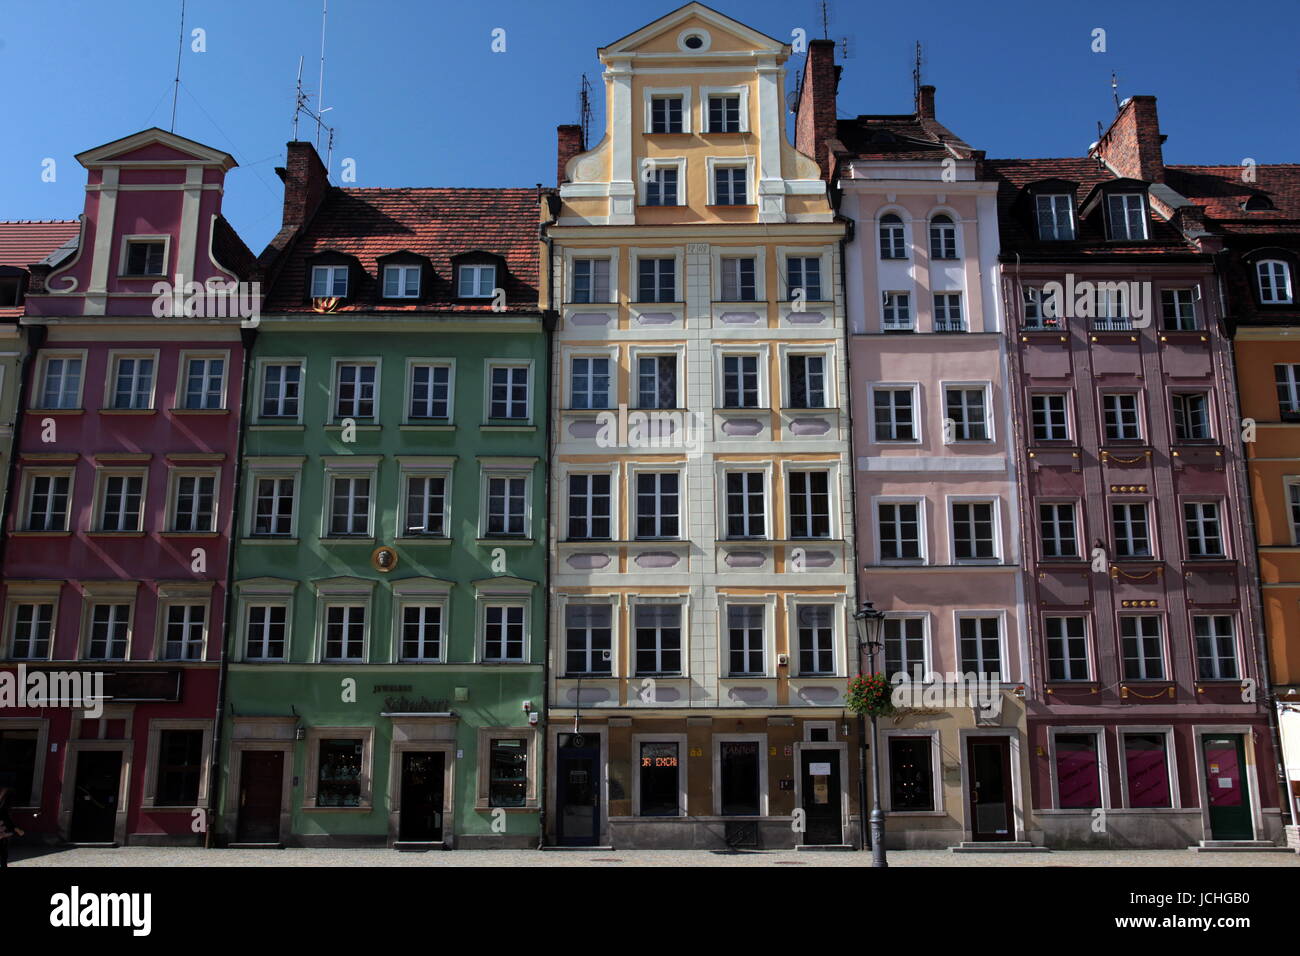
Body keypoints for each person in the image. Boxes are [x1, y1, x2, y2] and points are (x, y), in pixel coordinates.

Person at [0, 775, 25, 868]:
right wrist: (17, 830)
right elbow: (7, 820)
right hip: (1, 836)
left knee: (3, 856)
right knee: (3, 856)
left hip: (2, 836)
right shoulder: (3, 809)